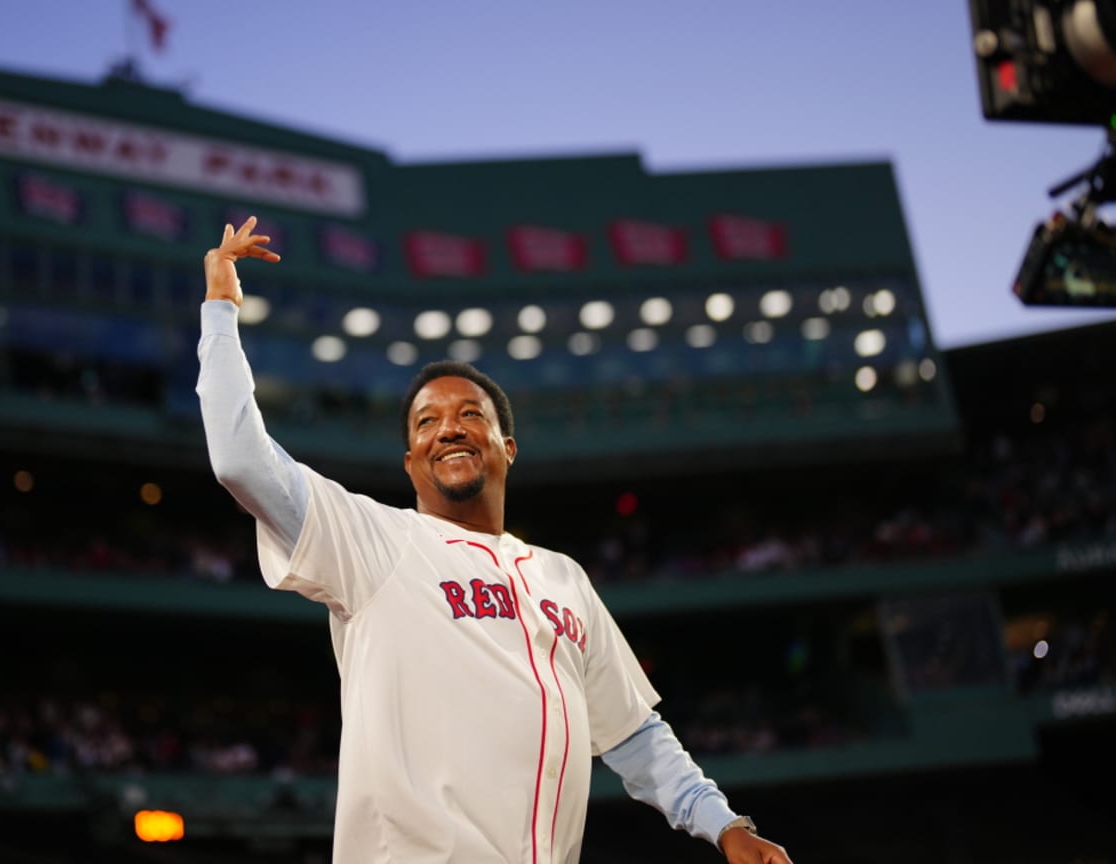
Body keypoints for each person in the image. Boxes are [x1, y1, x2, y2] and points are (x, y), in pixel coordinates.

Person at [197, 217, 793, 864]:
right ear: (410, 462)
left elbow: (633, 734)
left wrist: (723, 823)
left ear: (507, 448)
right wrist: (221, 312)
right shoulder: (374, 540)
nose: (447, 429)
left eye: (469, 415)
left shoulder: (564, 578)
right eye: (427, 421)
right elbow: (240, 461)